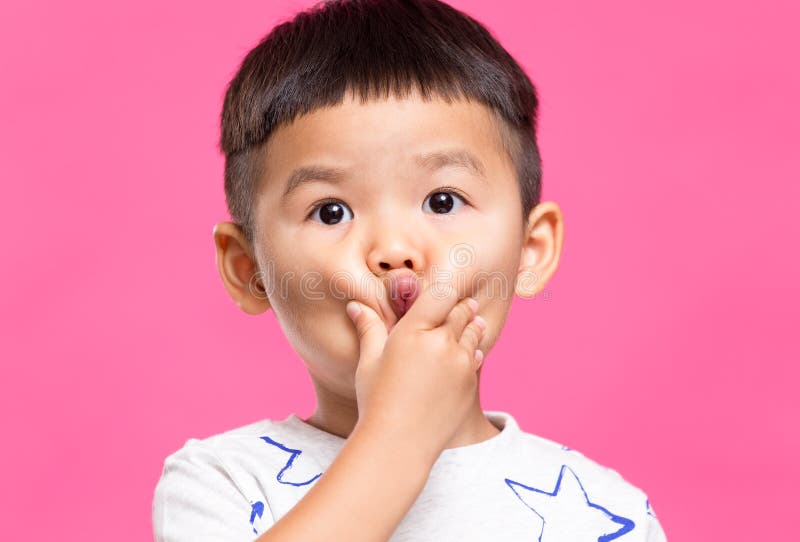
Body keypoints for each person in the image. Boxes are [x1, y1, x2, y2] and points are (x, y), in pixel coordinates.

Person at [152, 0, 668, 540]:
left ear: (530, 250)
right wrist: (399, 436)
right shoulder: (222, 484)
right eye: (332, 211)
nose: (395, 250)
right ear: (249, 269)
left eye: (443, 201)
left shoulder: (604, 514)